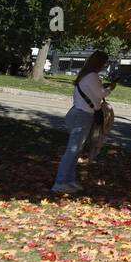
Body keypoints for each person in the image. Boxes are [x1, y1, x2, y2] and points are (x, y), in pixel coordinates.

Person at [53, 51, 116, 194]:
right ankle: (60, 182)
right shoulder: (92, 76)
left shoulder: (85, 75)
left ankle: (68, 180)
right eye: (104, 63)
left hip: (79, 113)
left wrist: (103, 87)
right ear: (98, 63)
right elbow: (100, 94)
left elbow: (94, 93)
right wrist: (110, 88)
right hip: (83, 115)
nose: (105, 65)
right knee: (73, 150)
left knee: (76, 150)